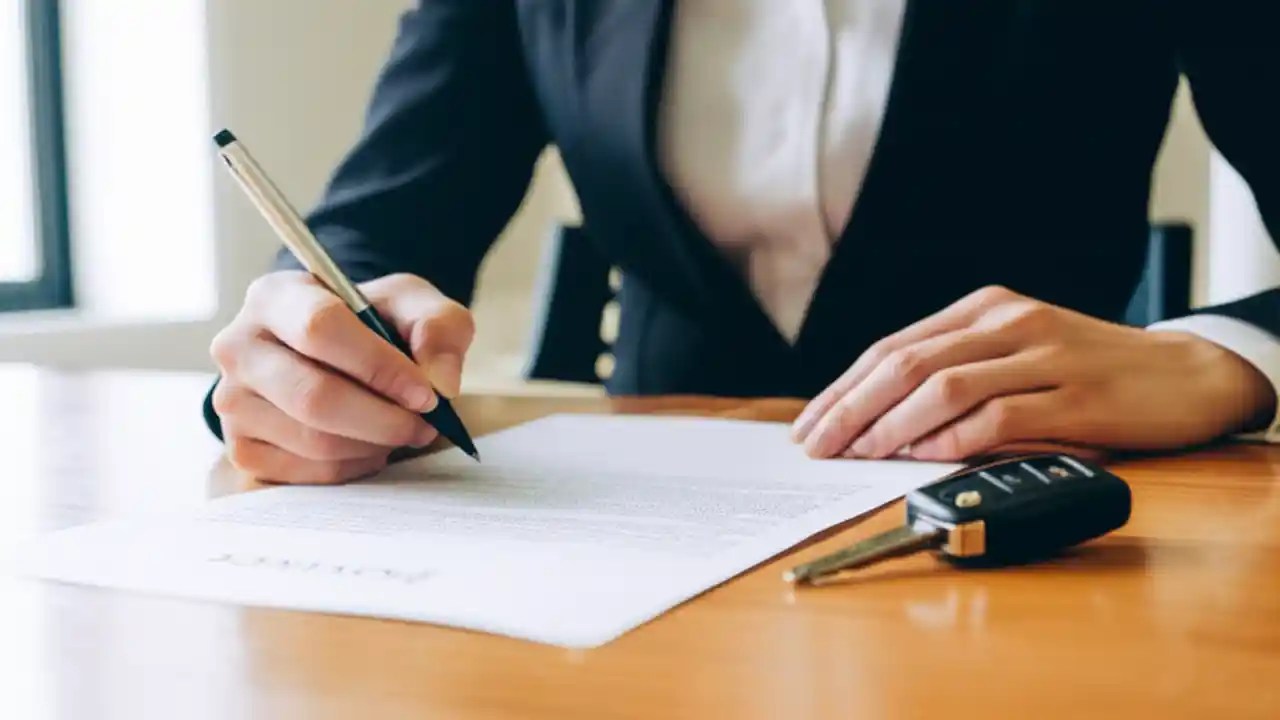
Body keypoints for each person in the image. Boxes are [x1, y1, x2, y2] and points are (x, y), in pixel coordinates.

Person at [205, 1, 1280, 485]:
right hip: (635, 548)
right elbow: (378, 224)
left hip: (1029, 526)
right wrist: (298, 350)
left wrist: (1220, 363)